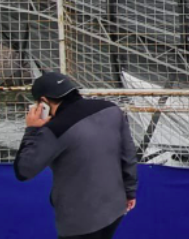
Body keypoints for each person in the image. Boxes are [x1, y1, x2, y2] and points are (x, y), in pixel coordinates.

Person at [14, 72, 138, 239]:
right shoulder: (111, 108)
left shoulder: (55, 130)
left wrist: (32, 130)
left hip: (79, 221)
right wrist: (130, 191)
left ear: (43, 101)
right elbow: (128, 154)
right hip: (115, 207)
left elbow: (24, 170)